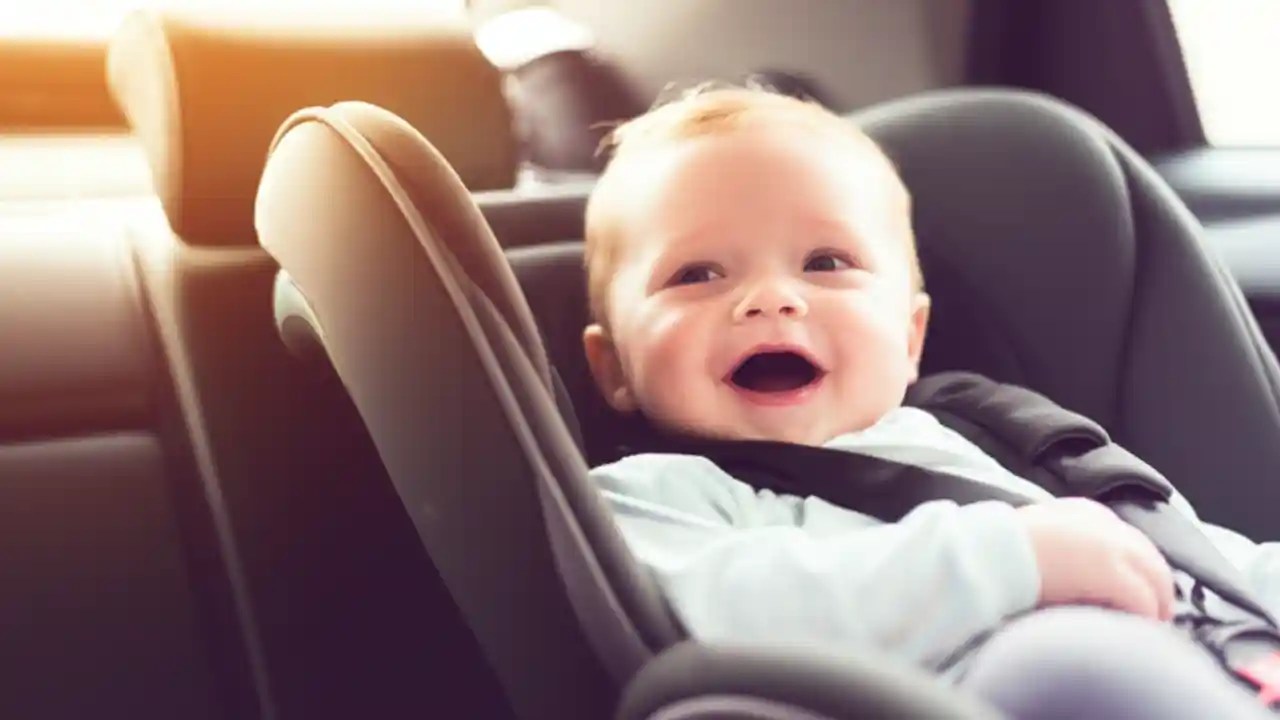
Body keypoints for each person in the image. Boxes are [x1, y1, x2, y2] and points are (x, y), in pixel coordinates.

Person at [580, 85, 1280, 718]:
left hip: (1219, 656)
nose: (772, 298)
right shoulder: (653, 495)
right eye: (695, 275)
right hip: (1004, 691)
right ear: (613, 367)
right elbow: (719, 614)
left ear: (910, 336)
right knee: (1065, 665)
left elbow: (1178, 547)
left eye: (826, 262)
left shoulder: (990, 435)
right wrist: (1012, 558)